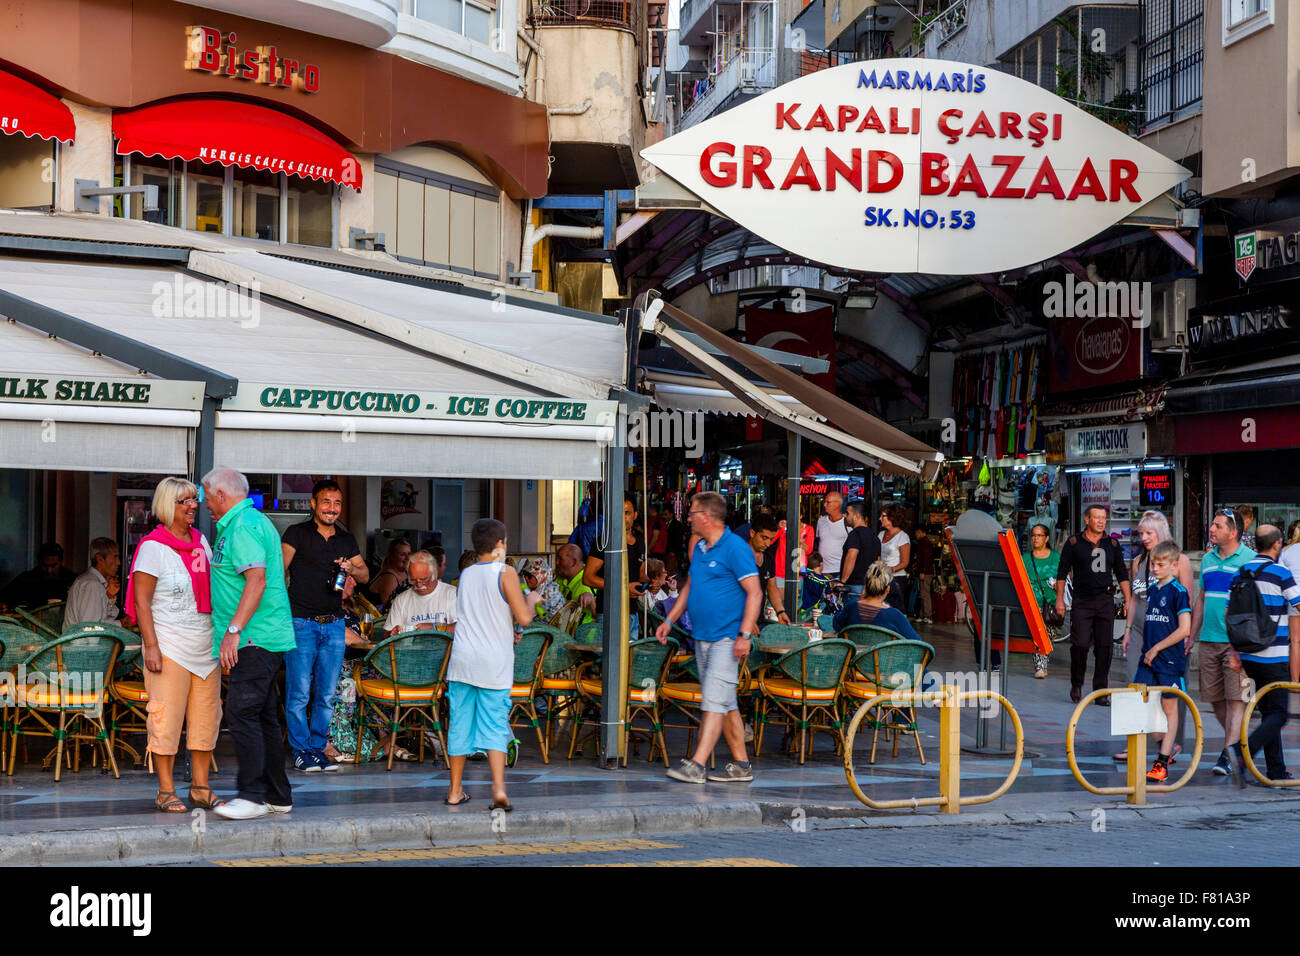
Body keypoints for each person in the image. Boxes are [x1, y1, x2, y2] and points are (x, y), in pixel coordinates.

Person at [203, 466, 297, 821]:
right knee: (264, 716)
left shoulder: (241, 527)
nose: (206, 506)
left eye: (208, 498)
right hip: (265, 637)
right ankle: (277, 795)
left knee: (241, 711)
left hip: (254, 638)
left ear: (222, 496)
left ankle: (253, 795)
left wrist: (233, 630)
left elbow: (256, 580)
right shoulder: (254, 522)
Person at [124, 478, 220, 813]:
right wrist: (151, 646)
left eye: (195, 499)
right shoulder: (153, 547)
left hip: (206, 648)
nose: (193, 506)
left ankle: (201, 787)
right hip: (170, 647)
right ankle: (166, 791)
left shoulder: (201, 542)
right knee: (166, 721)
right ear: (168, 505)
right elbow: (142, 602)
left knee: (206, 720)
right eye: (185, 501)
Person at [657, 491, 761, 784]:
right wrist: (669, 619)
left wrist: (743, 634)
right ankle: (742, 765)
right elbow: (690, 587)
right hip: (701, 637)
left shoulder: (735, 548)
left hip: (726, 638)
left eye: (691, 513)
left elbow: (755, 592)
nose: (688, 517)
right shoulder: (701, 548)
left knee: (713, 701)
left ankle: (698, 764)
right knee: (726, 704)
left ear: (706, 516)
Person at [443, 519, 534, 812]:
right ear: (499, 545)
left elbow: (484, 613)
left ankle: (455, 791)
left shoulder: (467, 574)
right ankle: (498, 790)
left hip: (462, 662)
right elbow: (524, 617)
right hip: (493, 663)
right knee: (495, 725)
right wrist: (532, 599)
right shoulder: (506, 572)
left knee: (459, 726)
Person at [281, 479, 370, 774]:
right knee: (299, 693)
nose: (332, 509)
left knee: (326, 693)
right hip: (301, 622)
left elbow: (366, 574)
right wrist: (281, 611)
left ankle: (318, 749)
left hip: (333, 624)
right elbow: (278, 571)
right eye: (326, 502)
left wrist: (351, 568)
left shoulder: (345, 539)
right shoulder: (297, 533)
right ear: (313, 504)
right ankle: (300, 750)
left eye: (337, 503)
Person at [1229, 524, 1300, 782]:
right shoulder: (1281, 573)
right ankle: (1240, 752)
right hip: (1274, 656)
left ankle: (1276, 770)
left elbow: (1231, 613)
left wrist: (1235, 652)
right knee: (1279, 714)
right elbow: (1297, 603)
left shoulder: (1241, 571)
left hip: (1249, 656)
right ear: (1277, 544)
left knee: (1269, 712)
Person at [1190, 508, 1256, 779]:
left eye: (1217, 526)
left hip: (1235, 644)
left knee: (1236, 700)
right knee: (1214, 698)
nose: (1212, 529)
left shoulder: (1249, 560)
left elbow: (1253, 604)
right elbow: (1202, 599)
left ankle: (1228, 752)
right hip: (1208, 639)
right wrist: (1191, 635)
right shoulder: (1207, 559)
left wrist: (1244, 643)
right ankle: (1238, 743)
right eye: (1212, 524)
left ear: (1233, 532)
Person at [1122, 540, 1192, 783]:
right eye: (1153, 564)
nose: (1154, 568)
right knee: (1137, 699)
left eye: (1161, 565)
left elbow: (1184, 629)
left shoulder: (1178, 592)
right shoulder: (1152, 590)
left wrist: (1158, 648)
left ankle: (1162, 761)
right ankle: (1156, 745)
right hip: (1148, 657)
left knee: (1170, 707)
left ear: (1174, 566)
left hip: (1169, 661)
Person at [1054, 505, 1131, 705]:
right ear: (1087, 519)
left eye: (1103, 518)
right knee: (1080, 644)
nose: (1100, 521)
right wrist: (1060, 599)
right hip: (1082, 600)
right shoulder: (1073, 543)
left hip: (1105, 600)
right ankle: (1077, 682)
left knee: (1104, 647)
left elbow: (1121, 573)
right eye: (1096, 518)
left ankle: (1101, 691)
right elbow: (1062, 573)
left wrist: (1128, 599)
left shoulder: (1112, 544)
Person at [1122, 511, 1195, 684]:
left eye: (1149, 533)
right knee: (1135, 684)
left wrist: (1186, 636)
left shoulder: (1180, 560)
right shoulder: (1138, 561)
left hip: (1167, 631)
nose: (1144, 538)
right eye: (1141, 533)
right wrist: (1127, 630)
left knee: (1169, 689)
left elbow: (1187, 600)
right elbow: (1134, 599)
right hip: (1139, 632)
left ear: (1160, 532)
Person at [583, 493, 647, 616]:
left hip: (633, 612)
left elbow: (640, 573)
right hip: (610, 614)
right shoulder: (604, 542)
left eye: (627, 513)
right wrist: (623, 588)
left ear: (635, 515)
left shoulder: (640, 542)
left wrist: (652, 582)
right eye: (620, 513)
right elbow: (587, 578)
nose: (623, 517)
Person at [833, 559, 922, 640]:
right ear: (887, 590)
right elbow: (917, 642)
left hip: (856, 657)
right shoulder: (894, 615)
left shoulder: (851, 608)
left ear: (865, 587)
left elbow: (836, 625)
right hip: (883, 657)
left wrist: (860, 600)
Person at [385, 550, 457, 636]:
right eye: (413, 580)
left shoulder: (452, 594)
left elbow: (464, 628)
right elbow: (386, 634)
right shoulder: (401, 599)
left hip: (445, 649)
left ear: (434, 574)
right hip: (410, 649)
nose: (418, 585)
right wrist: (392, 633)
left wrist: (433, 628)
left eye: (423, 580)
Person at [1023, 523, 1059, 679]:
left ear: (1046, 538)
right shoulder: (1025, 558)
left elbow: (1067, 576)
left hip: (1050, 602)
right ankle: (1040, 666)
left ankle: (1043, 663)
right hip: (1032, 602)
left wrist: (1057, 583)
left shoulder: (1056, 557)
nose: (1035, 538)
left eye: (1039, 535)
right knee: (1037, 635)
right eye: (1033, 535)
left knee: (1049, 635)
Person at [63, 537, 122, 629]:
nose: (118, 562)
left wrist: (110, 598)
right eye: (115, 557)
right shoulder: (91, 584)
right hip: (83, 643)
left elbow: (101, 618)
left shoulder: (95, 582)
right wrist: (122, 623)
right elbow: (90, 628)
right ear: (100, 559)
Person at [0, 542, 76, 609]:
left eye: (53, 566)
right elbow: (4, 597)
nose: (49, 570)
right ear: (39, 562)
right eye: (45, 566)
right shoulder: (26, 579)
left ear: (61, 562)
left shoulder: (71, 580)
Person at [838, 501, 881, 608]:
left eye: (847, 513)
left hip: (854, 586)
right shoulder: (874, 536)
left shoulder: (855, 534)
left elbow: (851, 556)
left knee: (852, 619)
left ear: (857, 516)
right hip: (869, 586)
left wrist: (842, 581)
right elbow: (878, 562)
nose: (845, 516)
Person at [748, 515, 789, 624]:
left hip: (759, 620)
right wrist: (745, 621)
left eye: (771, 539)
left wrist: (780, 611)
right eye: (764, 538)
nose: (767, 544)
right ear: (752, 533)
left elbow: (771, 587)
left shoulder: (768, 558)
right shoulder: (738, 556)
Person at [878, 505, 912, 610]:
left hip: (896, 579)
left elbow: (905, 562)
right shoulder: (881, 534)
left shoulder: (902, 537)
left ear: (892, 518)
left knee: (894, 610)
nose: (880, 518)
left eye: (883, 516)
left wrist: (890, 569)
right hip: (882, 578)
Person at [555, 543, 597, 624]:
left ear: (573, 562)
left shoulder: (589, 581)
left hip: (583, 635)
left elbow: (605, 619)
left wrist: (592, 602)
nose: (556, 563)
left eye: (560, 559)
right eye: (556, 558)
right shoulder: (561, 577)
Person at [369, 537, 411, 608]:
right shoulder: (389, 578)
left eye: (409, 554)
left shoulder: (406, 573)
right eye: (402, 554)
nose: (407, 558)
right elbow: (389, 608)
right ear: (392, 556)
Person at [814, 491, 848, 578]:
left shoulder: (848, 523)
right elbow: (818, 542)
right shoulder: (821, 521)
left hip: (840, 570)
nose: (824, 505)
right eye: (824, 502)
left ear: (838, 504)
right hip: (821, 570)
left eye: (828, 502)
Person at [522, 557, 566, 622]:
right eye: (525, 575)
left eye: (529, 576)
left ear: (541, 576)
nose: (526, 579)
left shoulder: (547, 593)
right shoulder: (550, 587)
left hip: (546, 629)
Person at [913, 528, 937, 624]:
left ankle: (927, 615)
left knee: (925, 594)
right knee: (923, 593)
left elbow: (926, 558)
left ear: (920, 532)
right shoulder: (924, 542)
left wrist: (923, 570)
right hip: (925, 571)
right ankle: (923, 615)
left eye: (916, 533)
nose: (916, 535)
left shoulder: (925, 543)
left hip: (926, 572)